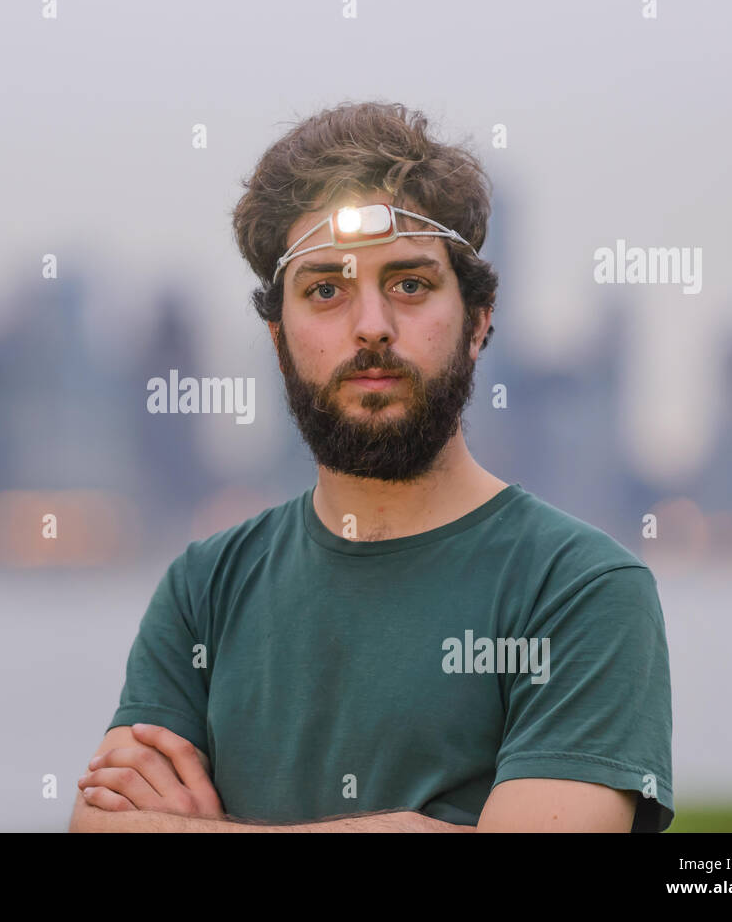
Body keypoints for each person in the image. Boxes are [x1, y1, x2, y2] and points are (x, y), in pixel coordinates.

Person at [69, 101, 673, 832]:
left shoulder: (579, 589)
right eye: (325, 289)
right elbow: (97, 822)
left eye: (410, 284)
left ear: (478, 320)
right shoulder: (204, 588)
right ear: (277, 334)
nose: (371, 326)